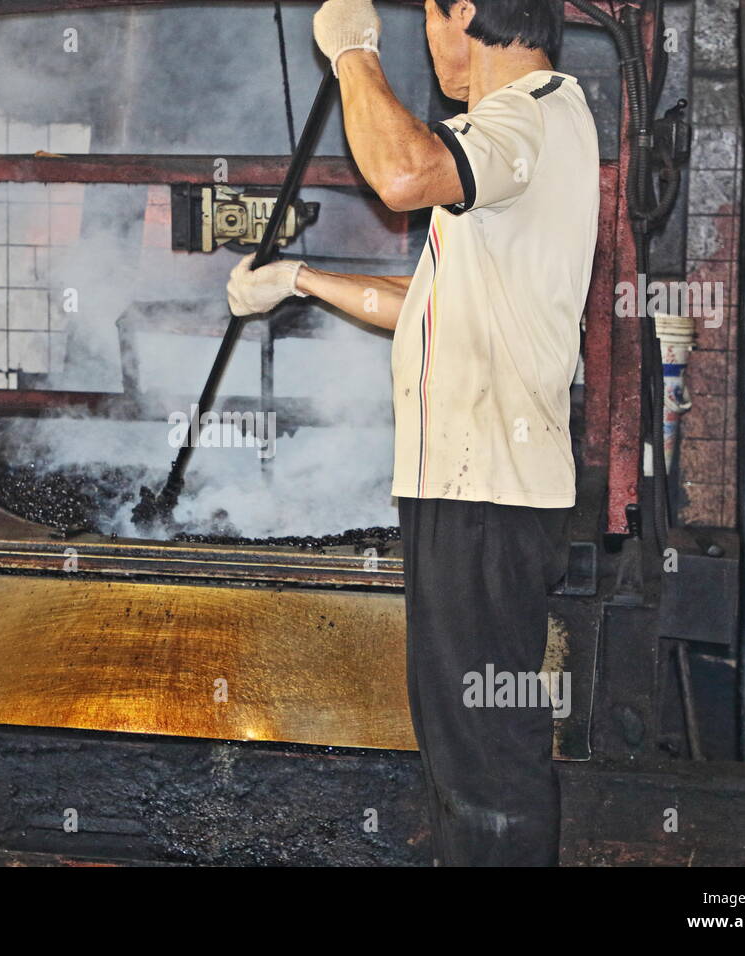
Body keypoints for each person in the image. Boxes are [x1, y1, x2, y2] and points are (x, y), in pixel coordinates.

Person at [226, 0, 599, 866]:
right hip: (484, 497)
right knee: (468, 744)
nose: (424, 38)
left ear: (465, 11)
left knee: (484, 764)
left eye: (427, 13)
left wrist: (353, 55)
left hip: (484, 499)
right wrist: (300, 280)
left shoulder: (525, 117)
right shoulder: (537, 126)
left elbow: (400, 176)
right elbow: (437, 314)